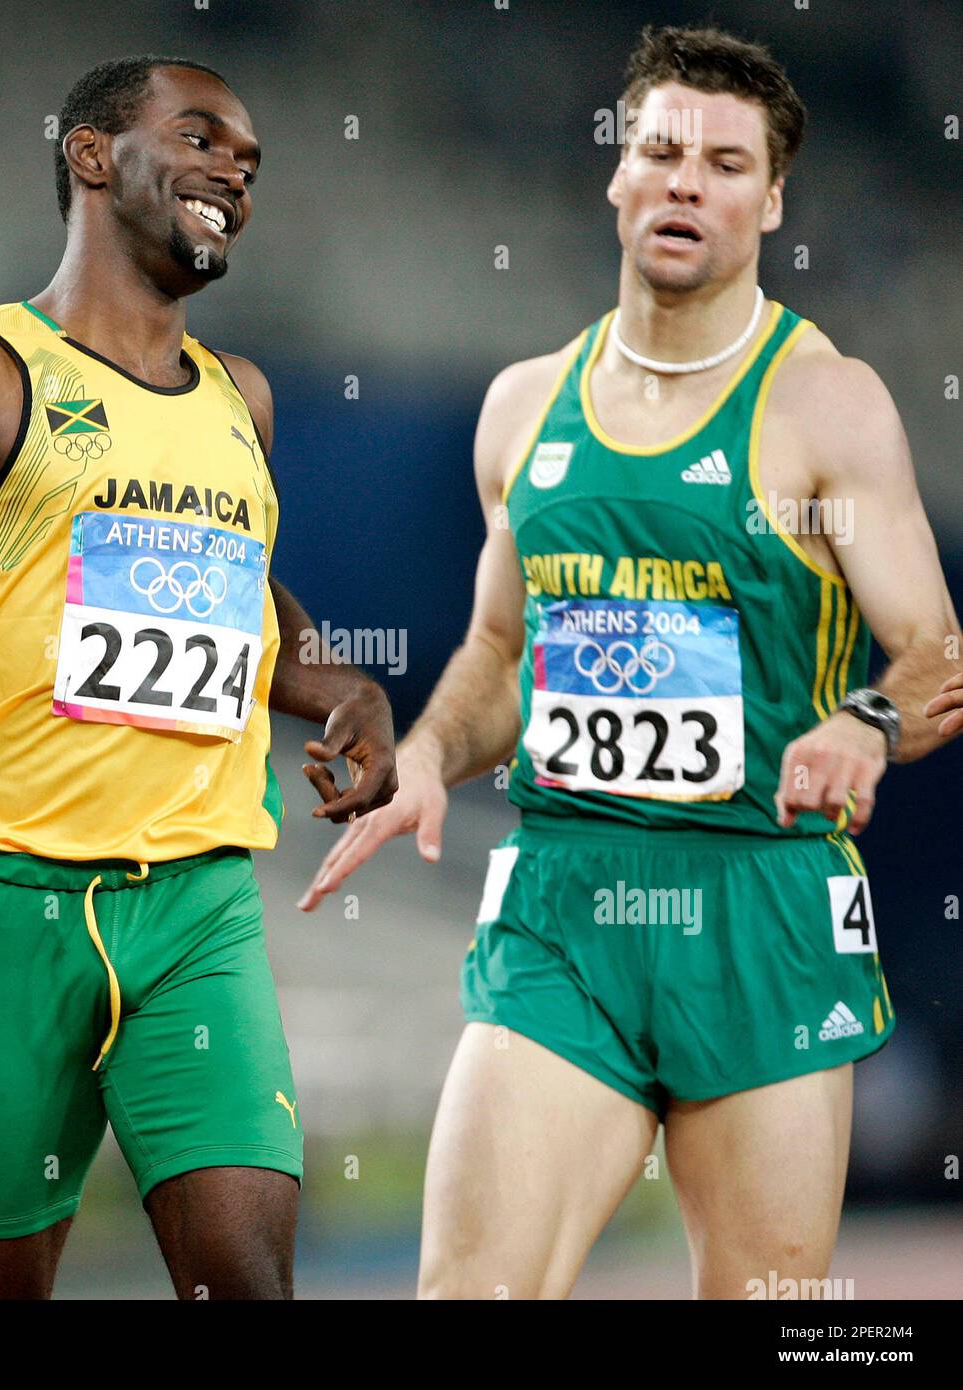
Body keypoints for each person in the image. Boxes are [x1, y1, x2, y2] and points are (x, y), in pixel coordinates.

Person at [300, 25, 959, 1299]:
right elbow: (498, 650)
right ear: (616, 173)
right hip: (562, 904)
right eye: (659, 152)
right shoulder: (522, 406)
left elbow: (934, 651)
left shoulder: (826, 404)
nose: (683, 182)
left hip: (758, 907)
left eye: (723, 163)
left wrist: (864, 724)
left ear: (770, 200)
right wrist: (427, 755)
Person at [0, 55, 396, 1301]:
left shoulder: (242, 399)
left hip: (198, 910)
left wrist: (347, 692)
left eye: (251, 162)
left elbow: (231, 588)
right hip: (2, 917)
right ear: (92, 154)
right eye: (202, 139)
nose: (235, 173)